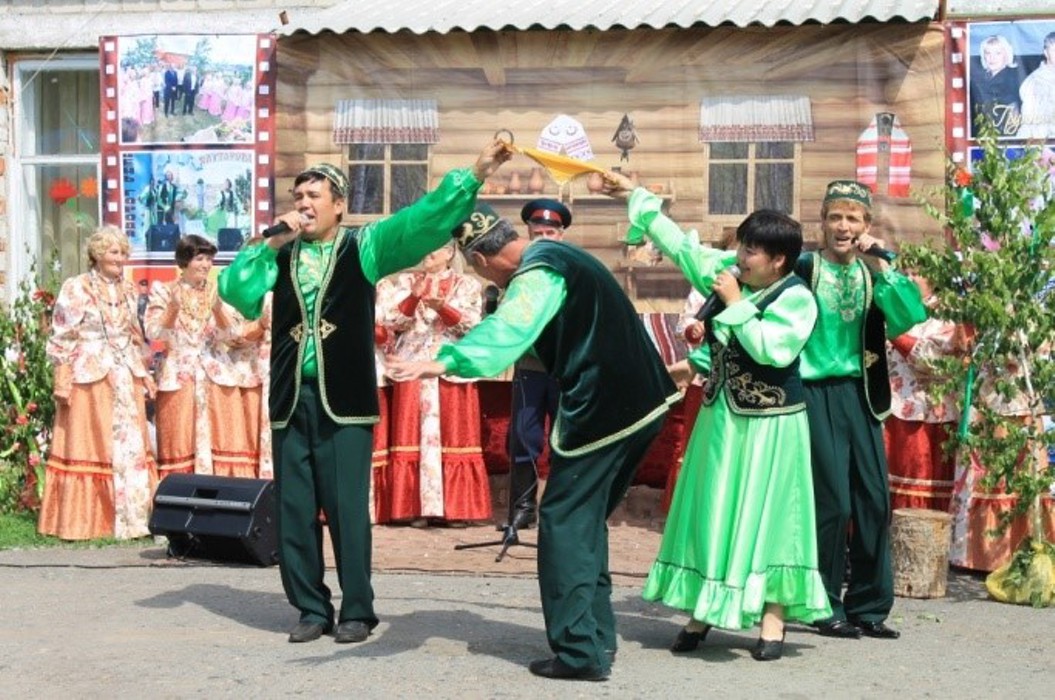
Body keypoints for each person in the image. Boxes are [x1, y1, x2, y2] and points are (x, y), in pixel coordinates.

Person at [217, 140, 512, 645]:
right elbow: (237, 292)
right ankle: (310, 607)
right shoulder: (278, 253)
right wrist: (269, 243)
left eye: (315, 195)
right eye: (298, 195)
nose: (304, 203)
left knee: (348, 508)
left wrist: (475, 173)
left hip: (346, 400)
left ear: (340, 205)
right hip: (291, 397)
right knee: (294, 509)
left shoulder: (364, 246)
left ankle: (357, 608)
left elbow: (421, 219)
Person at [386, 202, 680, 682]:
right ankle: (595, 638)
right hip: (639, 407)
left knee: (564, 523)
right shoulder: (559, 256)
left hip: (602, 412)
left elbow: (512, 327)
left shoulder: (538, 272)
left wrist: (446, 361)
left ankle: (579, 652)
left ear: (480, 260)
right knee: (583, 523)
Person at [605, 173, 830, 660]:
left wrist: (733, 305)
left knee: (769, 516)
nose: (740, 257)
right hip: (721, 418)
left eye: (752, 251)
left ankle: (773, 618)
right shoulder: (731, 272)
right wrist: (634, 197)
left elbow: (772, 351)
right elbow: (682, 247)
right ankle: (706, 608)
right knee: (714, 508)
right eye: (741, 246)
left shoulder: (796, 298)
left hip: (772, 425)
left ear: (779, 261)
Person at [795, 180, 927, 640]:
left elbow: (910, 316)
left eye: (852, 218)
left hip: (862, 393)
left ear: (866, 226)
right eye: (835, 217)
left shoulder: (873, 275)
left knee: (873, 500)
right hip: (814, 392)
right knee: (831, 502)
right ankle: (823, 602)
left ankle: (868, 606)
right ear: (823, 223)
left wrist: (884, 264)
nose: (843, 226)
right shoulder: (804, 267)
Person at [38, 225, 158, 540]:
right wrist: (62, 377)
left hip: (124, 371)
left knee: (130, 443)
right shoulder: (77, 287)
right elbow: (62, 334)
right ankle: (89, 521)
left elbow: (134, 335)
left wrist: (144, 374)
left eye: (123, 253)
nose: (120, 259)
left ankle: (134, 518)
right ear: (97, 254)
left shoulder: (130, 290)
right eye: (114, 252)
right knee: (92, 441)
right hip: (90, 372)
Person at [375, 241, 490, 526]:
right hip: (411, 367)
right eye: (426, 248)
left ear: (450, 252)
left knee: (453, 437)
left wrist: (445, 308)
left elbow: (473, 325)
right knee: (412, 436)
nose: (427, 253)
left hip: (450, 368)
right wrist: (412, 298)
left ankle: (454, 509)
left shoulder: (467, 286)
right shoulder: (403, 281)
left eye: (434, 249)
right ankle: (414, 507)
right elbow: (388, 320)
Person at [145, 234, 260, 478]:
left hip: (216, 373)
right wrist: (172, 309)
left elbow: (232, 336)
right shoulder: (165, 292)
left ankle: (228, 506)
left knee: (226, 442)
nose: (206, 265)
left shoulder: (218, 292)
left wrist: (218, 309)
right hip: (179, 376)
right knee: (180, 442)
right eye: (200, 259)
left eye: (209, 260)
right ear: (185, 261)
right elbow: (154, 332)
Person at [502, 198, 572, 532]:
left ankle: (559, 510)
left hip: (565, 369)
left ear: (561, 235)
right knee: (523, 437)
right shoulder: (520, 270)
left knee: (563, 438)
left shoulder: (574, 269)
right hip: (529, 366)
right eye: (537, 232)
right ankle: (522, 508)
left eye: (550, 232)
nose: (543, 237)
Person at [885, 272, 964, 512]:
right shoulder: (890, 307)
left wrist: (894, 333)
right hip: (894, 411)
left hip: (934, 416)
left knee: (927, 485)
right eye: (904, 273)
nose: (909, 278)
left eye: (917, 273)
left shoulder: (949, 313)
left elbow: (934, 360)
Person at [970, 34, 1026, 136]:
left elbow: (1014, 113)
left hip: (1003, 136)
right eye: (988, 53)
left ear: (1006, 55)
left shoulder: (1012, 78)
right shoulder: (980, 79)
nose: (992, 58)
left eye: (998, 53)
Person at [1018, 32, 1055, 140]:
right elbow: (1028, 121)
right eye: (1054, 50)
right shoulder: (1033, 82)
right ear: (1046, 53)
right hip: (1045, 145)